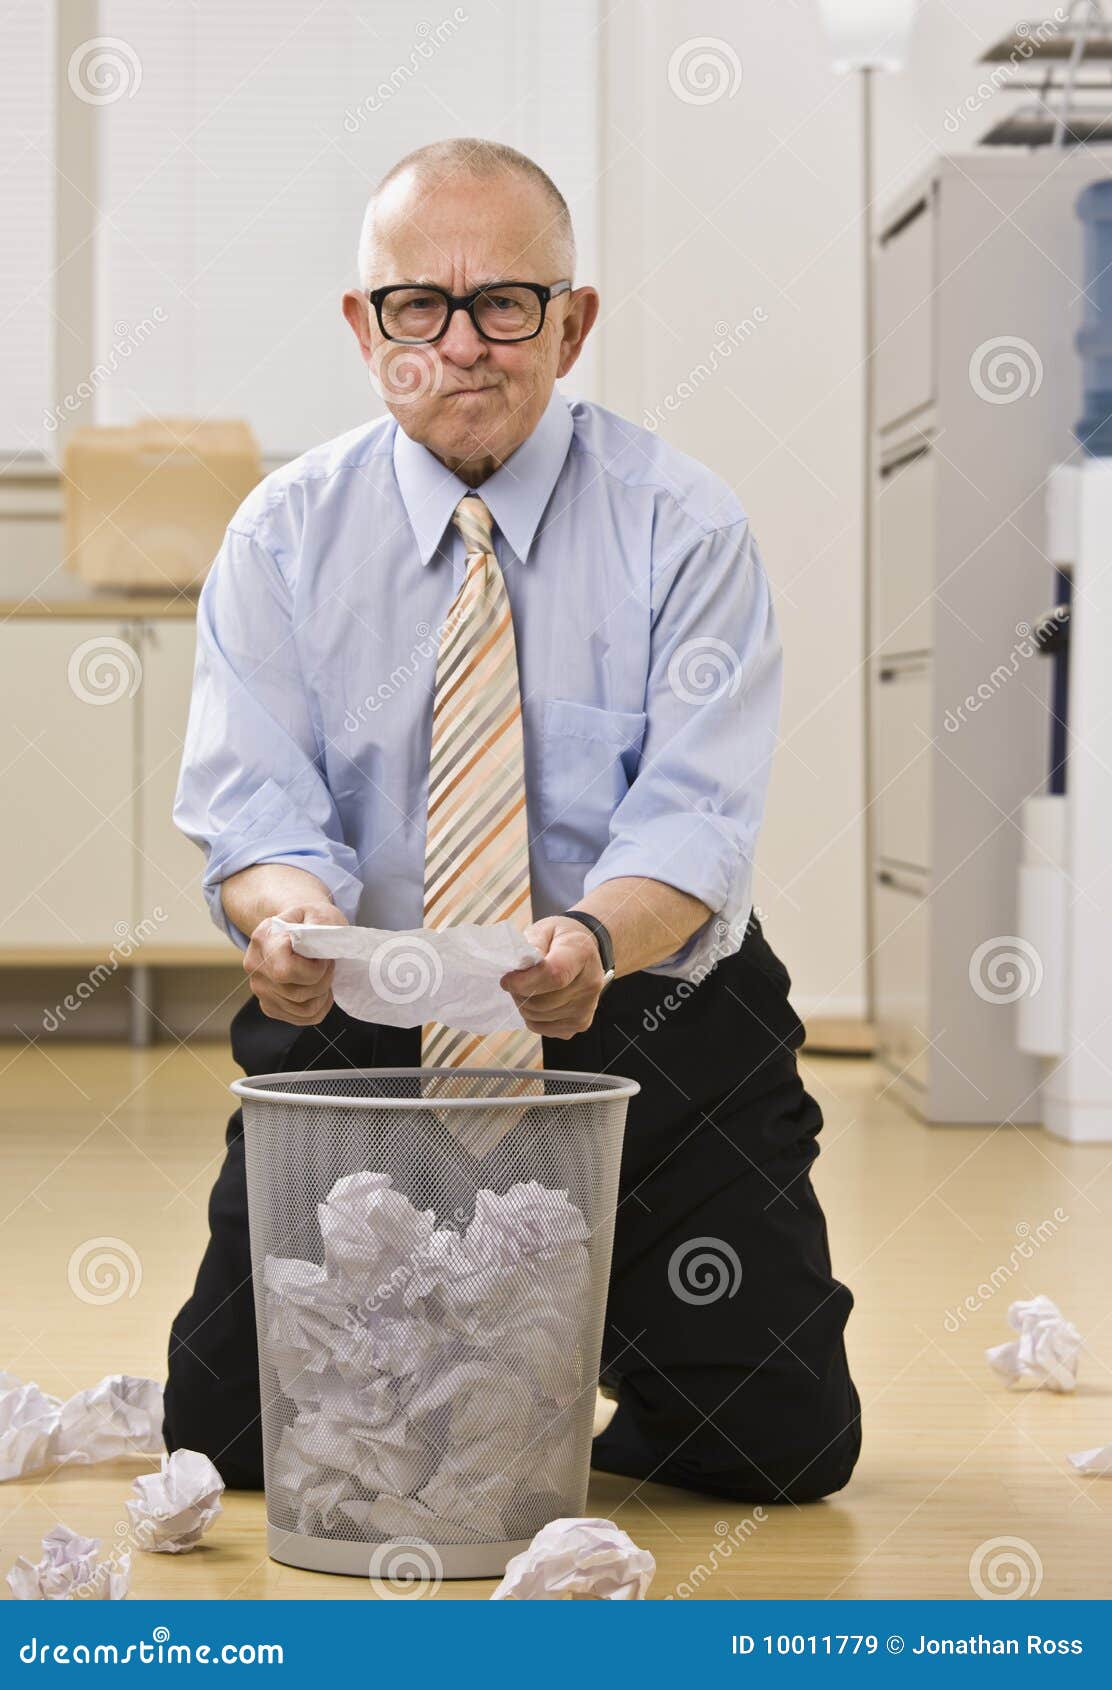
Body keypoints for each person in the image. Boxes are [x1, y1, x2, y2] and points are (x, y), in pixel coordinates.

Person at [163, 137, 860, 1508]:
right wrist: (291, 918)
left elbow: (693, 824)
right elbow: (256, 807)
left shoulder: (683, 523)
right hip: (364, 1012)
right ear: (367, 330)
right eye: (419, 304)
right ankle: (454, 1338)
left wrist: (593, 937)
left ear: (573, 322)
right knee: (233, 1436)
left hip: (643, 1005)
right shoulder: (281, 534)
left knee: (777, 1449)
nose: (463, 343)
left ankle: (565, 1332)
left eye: (507, 304)